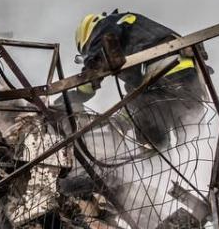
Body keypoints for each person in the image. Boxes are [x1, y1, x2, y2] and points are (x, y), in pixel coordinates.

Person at [75, 11, 207, 151]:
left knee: (150, 138)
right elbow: (137, 92)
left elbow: (95, 61)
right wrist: (122, 118)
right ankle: (199, 171)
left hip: (164, 73)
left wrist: (78, 95)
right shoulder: (136, 33)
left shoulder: (108, 24)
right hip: (190, 78)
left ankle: (157, 165)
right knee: (193, 139)